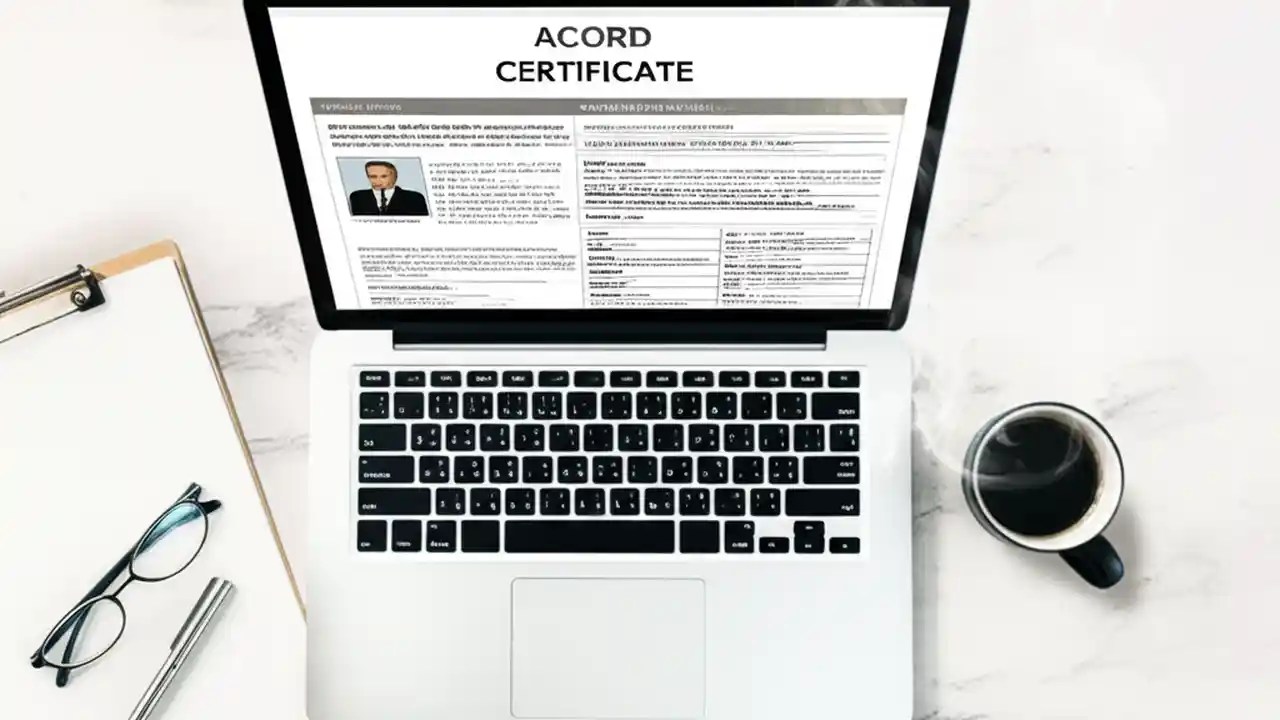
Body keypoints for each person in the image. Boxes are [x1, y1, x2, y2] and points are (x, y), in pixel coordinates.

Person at [348, 160, 429, 216]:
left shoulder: (414, 198)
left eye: (383, 176)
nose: (378, 181)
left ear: (394, 176)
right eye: (373, 176)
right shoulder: (356, 198)